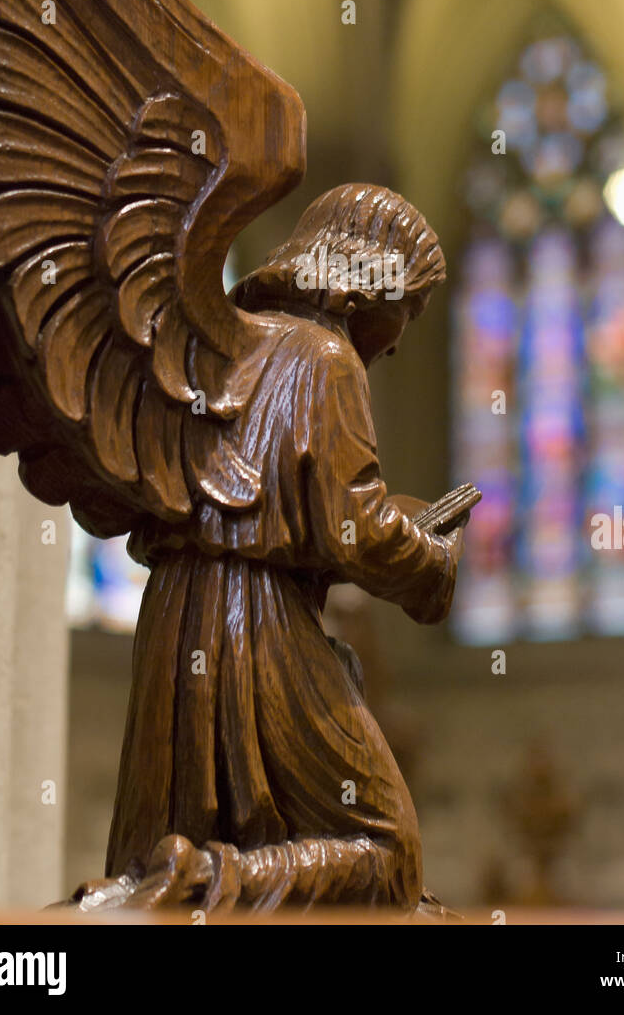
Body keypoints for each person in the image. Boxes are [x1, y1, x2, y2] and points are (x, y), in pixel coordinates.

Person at [83, 184, 464, 914]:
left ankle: (179, 872)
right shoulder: (327, 358)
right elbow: (351, 527)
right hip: (257, 624)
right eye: (407, 308)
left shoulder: (226, 343)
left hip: (177, 617)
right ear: (369, 281)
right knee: (388, 854)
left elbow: (278, 503)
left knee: (211, 816)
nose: (403, 336)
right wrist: (430, 557)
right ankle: (196, 882)